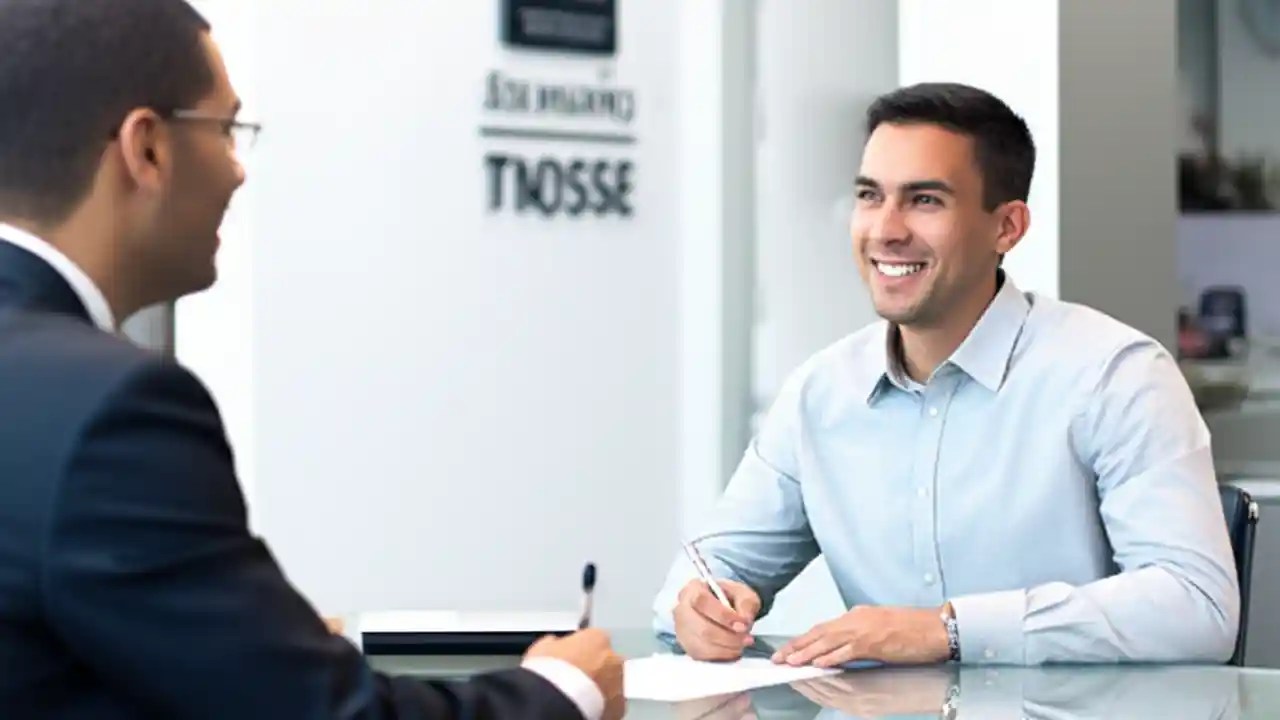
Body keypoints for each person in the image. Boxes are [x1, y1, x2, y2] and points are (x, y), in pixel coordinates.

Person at [0, 1, 623, 718]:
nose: (237, 171)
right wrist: (559, 689)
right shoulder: (110, 409)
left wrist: (253, 643)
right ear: (147, 149)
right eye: (227, 129)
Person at [654, 82, 1239, 667]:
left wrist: (950, 629)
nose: (885, 229)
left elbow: (1196, 607)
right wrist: (701, 608)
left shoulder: (1115, 377)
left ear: (1007, 227)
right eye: (869, 195)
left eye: (924, 200)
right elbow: (705, 572)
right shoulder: (819, 394)